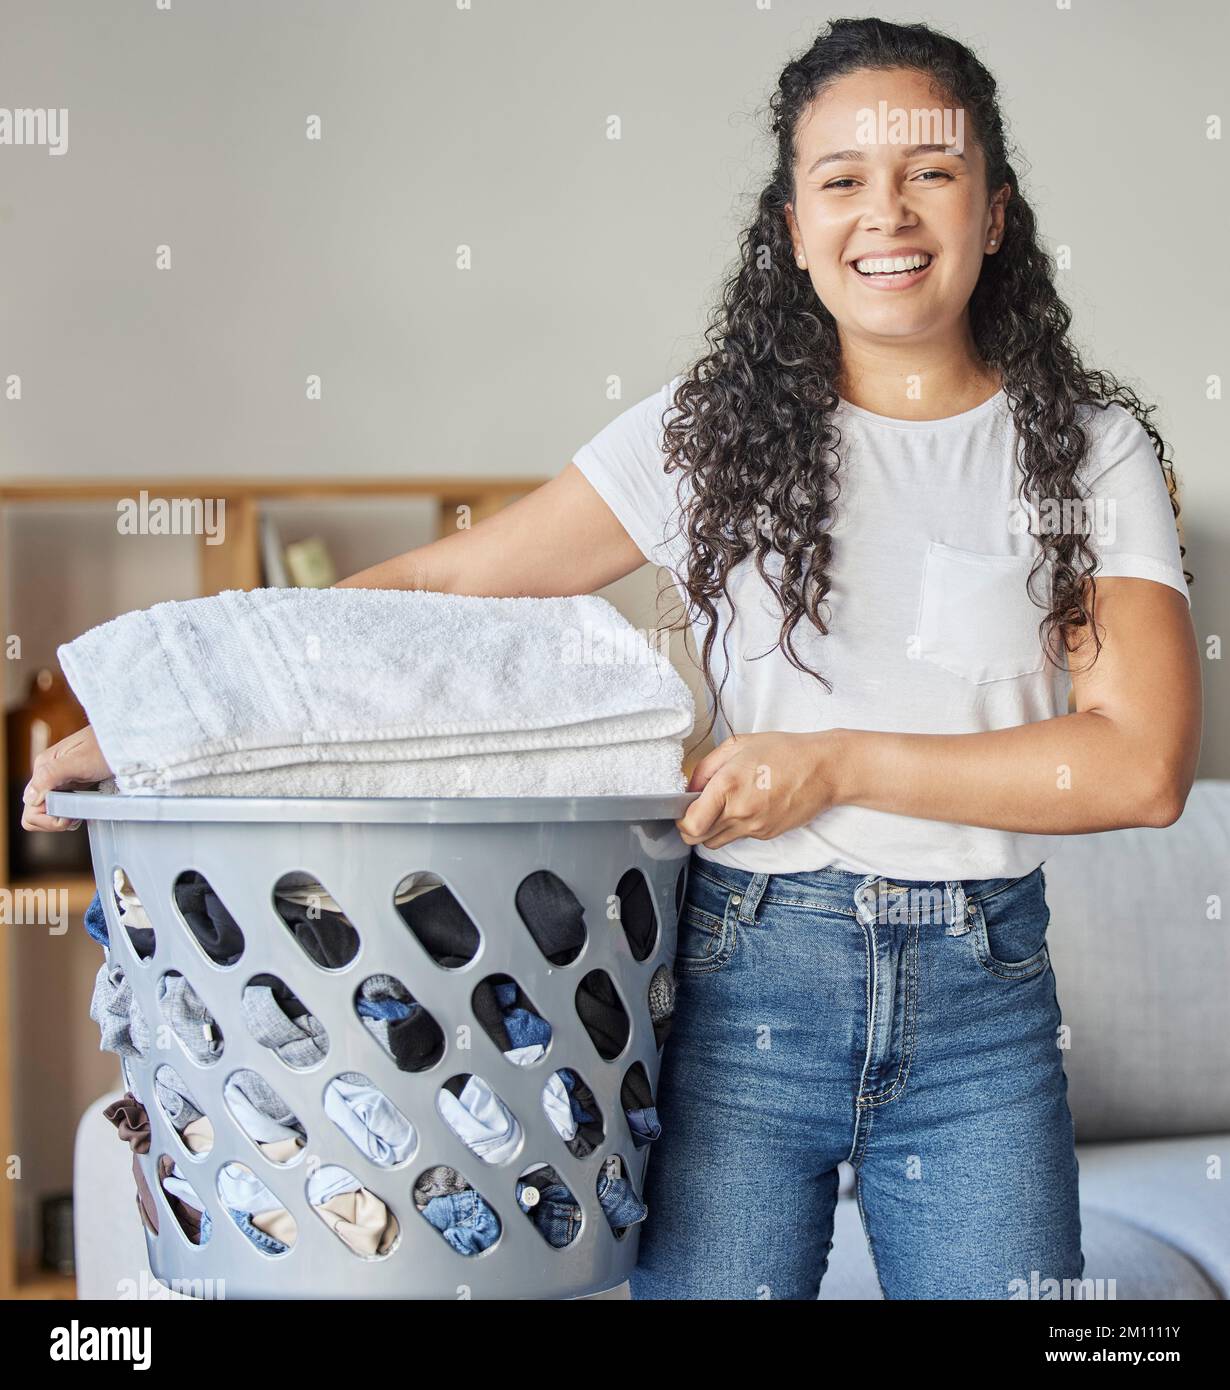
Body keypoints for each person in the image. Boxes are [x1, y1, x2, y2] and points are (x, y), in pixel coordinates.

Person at [25, 17, 1201, 1300]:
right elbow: (437, 587)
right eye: (841, 179)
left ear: (995, 210)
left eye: (930, 171)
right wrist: (160, 730)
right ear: (794, 224)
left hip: (986, 1006)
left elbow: (1139, 764)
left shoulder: (1088, 453)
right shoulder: (712, 433)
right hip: (742, 975)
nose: (888, 212)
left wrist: (836, 763)